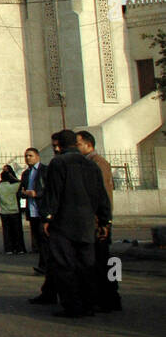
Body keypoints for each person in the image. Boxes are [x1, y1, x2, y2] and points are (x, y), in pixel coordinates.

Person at [42, 129, 111, 318]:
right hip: (87, 224)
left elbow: (53, 193)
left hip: (64, 224)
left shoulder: (58, 163)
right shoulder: (91, 165)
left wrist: (47, 217)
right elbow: (101, 195)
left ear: (59, 146)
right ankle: (89, 304)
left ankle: (73, 306)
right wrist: (105, 220)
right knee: (86, 265)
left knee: (65, 266)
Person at [76, 130, 121, 312]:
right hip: (95, 221)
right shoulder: (88, 163)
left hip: (98, 222)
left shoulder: (98, 164)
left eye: (78, 144)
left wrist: (104, 221)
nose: (76, 147)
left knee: (104, 262)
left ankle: (111, 298)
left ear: (88, 144)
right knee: (97, 262)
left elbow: (103, 195)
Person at [19, 147, 47, 276]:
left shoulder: (44, 171)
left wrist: (37, 193)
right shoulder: (25, 174)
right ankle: (42, 265)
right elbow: (21, 190)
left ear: (37, 156)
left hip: (42, 210)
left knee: (45, 239)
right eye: (26, 156)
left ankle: (45, 266)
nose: (28, 158)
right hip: (32, 210)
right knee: (38, 240)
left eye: (30, 155)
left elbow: (49, 189)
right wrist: (24, 193)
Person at [0, 165, 25, 255]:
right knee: (17, 230)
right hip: (15, 210)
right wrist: (12, 177)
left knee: (7, 231)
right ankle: (19, 248)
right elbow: (21, 183)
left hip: (4, 212)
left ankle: (9, 249)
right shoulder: (14, 186)